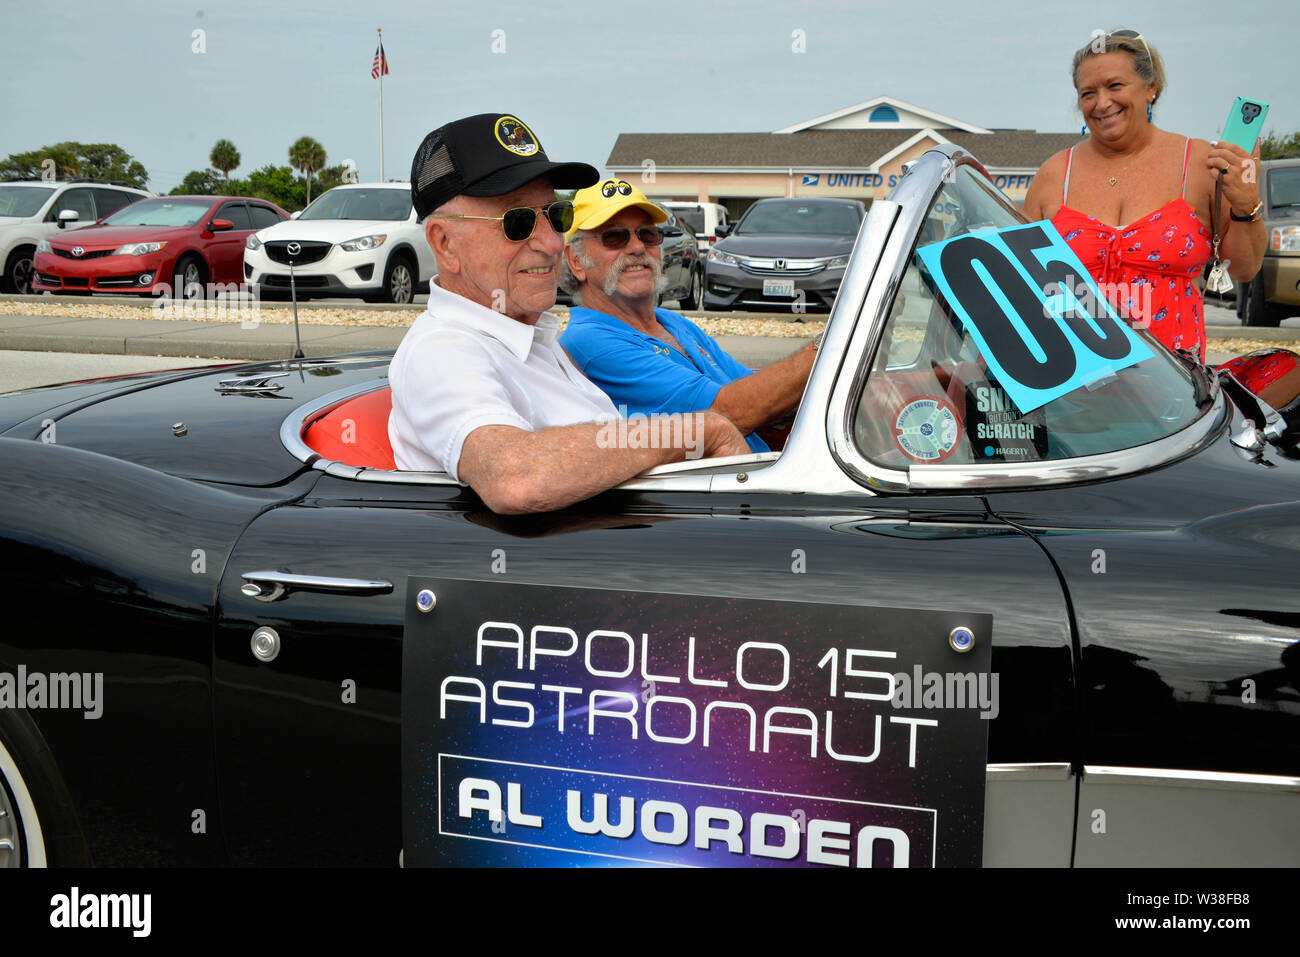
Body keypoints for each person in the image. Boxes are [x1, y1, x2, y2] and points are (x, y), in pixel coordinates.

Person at [387, 113, 748, 514]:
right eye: (517, 221)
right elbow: (514, 477)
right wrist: (699, 430)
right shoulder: (443, 349)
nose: (551, 242)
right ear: (446, 245)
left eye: (556, 215)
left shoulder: (526, 334)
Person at [1023, 30, 1265, 361]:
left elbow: (1243, 268)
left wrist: (1246, 204)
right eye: (1088, 93)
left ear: (1151, 87)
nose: (1102, 102)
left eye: (1115, 85)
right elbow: (1018, 281)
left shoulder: (1199, 163)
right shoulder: (1054, 174)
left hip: (1174, 392)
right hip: (1071, 389)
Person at [558, 180, 818, 451]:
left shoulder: (672, 322)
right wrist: (829, 347)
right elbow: (727, 412)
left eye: (647, 235)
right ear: (576, 260)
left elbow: (755, 392)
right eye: (614, 237)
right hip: (714, 490)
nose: (637, 248)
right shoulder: (590, 342)